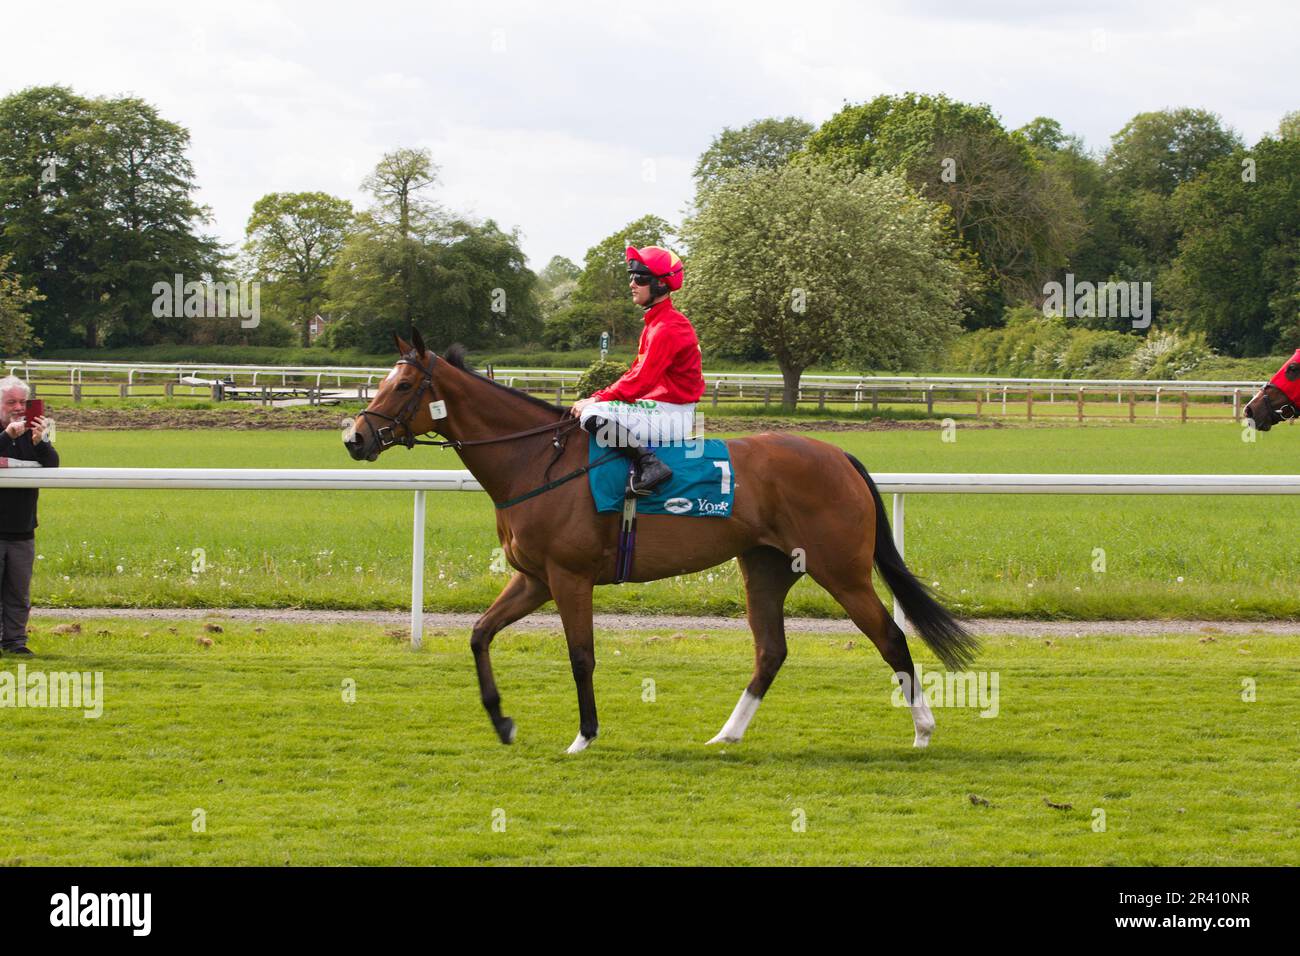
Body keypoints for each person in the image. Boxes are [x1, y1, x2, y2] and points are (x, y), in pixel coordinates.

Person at [569, 245, 706, 495]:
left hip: (672, 415)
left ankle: (650, 465)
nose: (633, 283)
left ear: (662, 285)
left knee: (592, 414)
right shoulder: (658, 322)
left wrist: (598, 398)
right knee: (595, 408)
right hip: (665, 408)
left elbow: (642, 380)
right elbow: (636, 374)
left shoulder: (667, 327)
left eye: (641, 278)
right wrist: (601, 394)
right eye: (631, 276)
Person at [0, 376, 58, 657]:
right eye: (11, 402)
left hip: (23, 528)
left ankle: (14, 643)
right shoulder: (7, 434)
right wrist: (6, 437)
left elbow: (53, 466)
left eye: (23, 402)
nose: (18, 407)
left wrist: (41, 441)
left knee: (18, 595)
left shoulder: (32, 435)